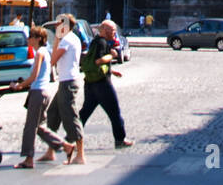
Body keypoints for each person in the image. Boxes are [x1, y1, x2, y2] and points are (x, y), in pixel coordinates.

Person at [11, 26, 66, 169]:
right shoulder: (43, 52)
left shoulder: (40, 53)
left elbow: (34, 76)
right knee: (39, 127)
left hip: (38, 92)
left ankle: (28, 159)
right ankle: (65, 145)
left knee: (30, 127)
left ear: (38, 39)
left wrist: (20, 86)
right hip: (42, 92)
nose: (28, 39)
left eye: (31, 36)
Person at [80, 20, 134, 148]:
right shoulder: (102, 43)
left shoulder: (95, 41)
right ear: (104, 30)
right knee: (115, 112)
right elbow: (99, 61)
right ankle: (120, 140)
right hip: (102, 84)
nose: (114, 33)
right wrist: (112, 55)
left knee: (85, 112)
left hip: (90, 83)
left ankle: (71, 137)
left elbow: (94, 62)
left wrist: (112, 71)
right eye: (113, 30)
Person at [41, 15, 85, 165]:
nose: (55, 28)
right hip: (65, 81)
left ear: (65, 26)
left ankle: (80, 154)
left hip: (68, 82)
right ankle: (50, 151)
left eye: (58, 25)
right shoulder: (72, 38)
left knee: (70, 116)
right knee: (53, 114)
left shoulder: (67, 40)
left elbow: (53, 59)